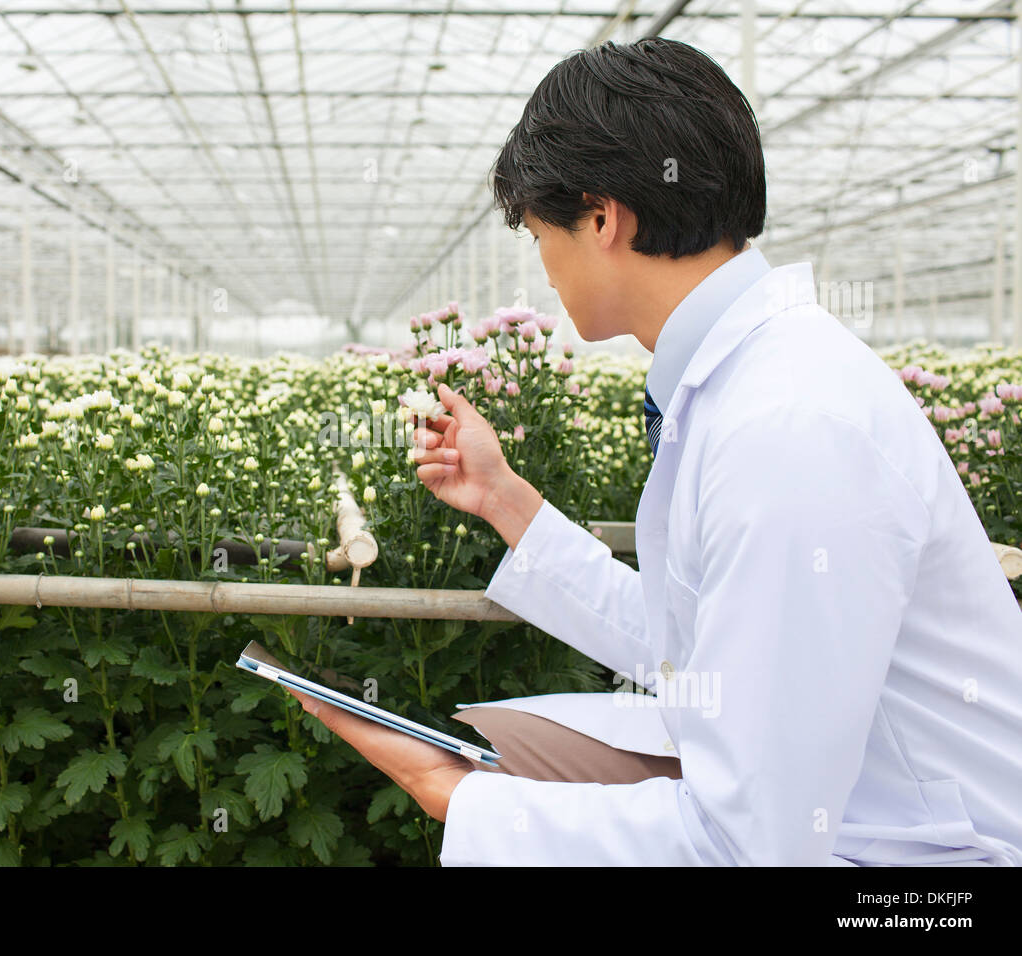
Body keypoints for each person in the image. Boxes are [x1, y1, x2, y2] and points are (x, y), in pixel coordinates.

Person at [287, 37, 1022, 865]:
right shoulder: (751, 380)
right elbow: (697, 654)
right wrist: (504, 499)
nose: (545, 271)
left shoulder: (788, 428)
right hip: (855, 805)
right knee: (514, 737)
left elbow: (751, 847)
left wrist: (462, 802)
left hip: (927, 872)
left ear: (603, 218)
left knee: (499, 772)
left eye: (539, 235)